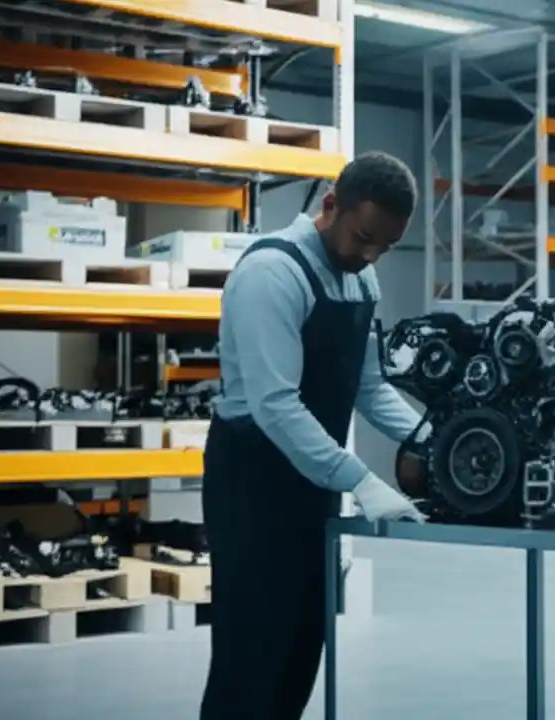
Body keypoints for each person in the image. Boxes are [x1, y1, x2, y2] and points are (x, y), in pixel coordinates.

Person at [201, 151, 428, 719]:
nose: (372, 254)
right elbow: (276, 406)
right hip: (253, 484)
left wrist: (434, 440)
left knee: (301, 649)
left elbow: (369, 388)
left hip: (311, 485)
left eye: (387, 246)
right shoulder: (272, 274)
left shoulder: (360, 276)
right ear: (331, 205)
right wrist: (361, 479)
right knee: (250, 658)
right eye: (364, 237)